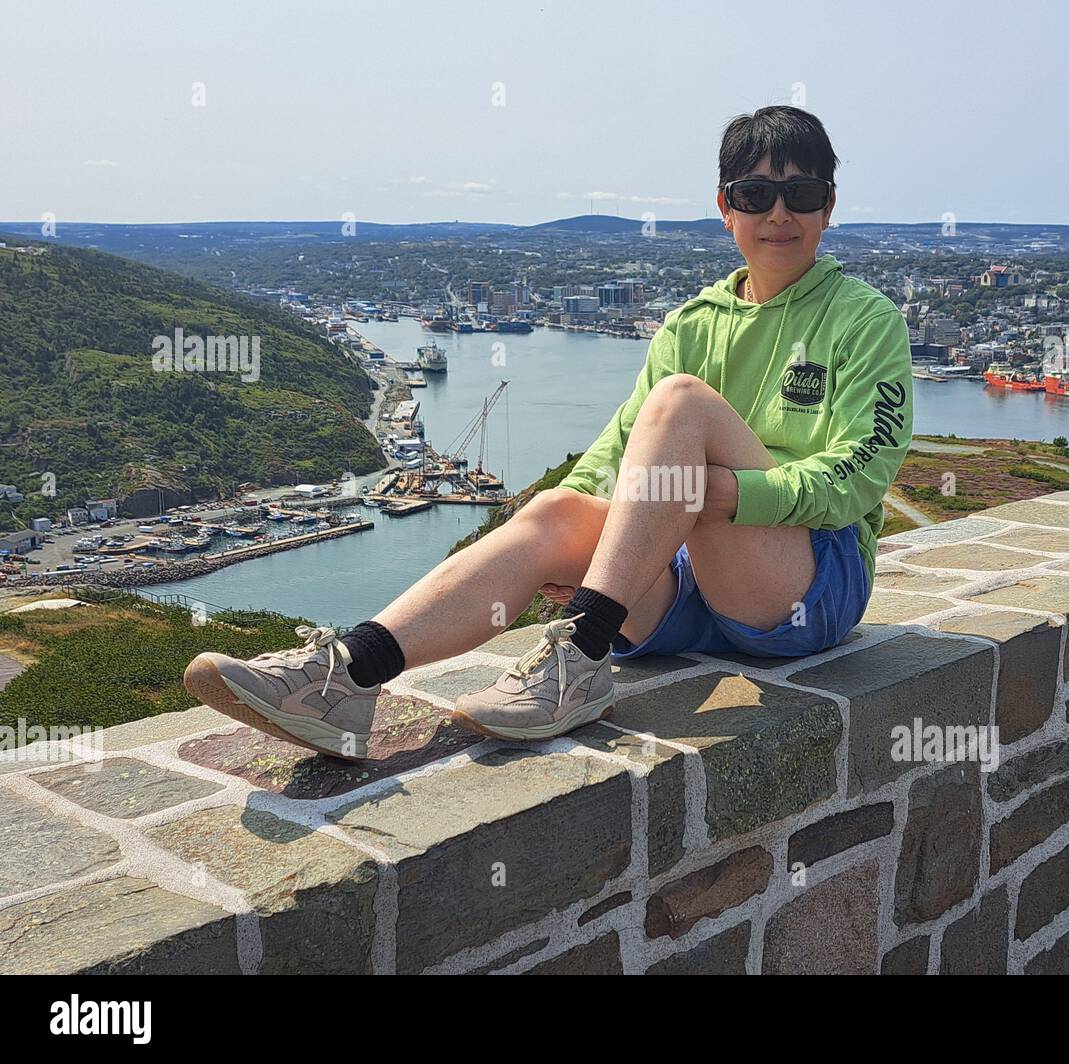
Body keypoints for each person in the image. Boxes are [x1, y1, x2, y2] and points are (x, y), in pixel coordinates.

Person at [182, 105, 913, 760]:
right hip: (693, 587)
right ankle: (346, 676)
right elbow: (618, 452)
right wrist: (566, 522)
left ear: (829, 207)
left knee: (682, 403)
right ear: (726, 208)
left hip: (804, 591)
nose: (779, 213)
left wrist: (717, 495)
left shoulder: (864, 319)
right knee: (562, 507)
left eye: (802, 194)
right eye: (756, 194)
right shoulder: (693, 324)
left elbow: (859, 480)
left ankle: (582, 653)